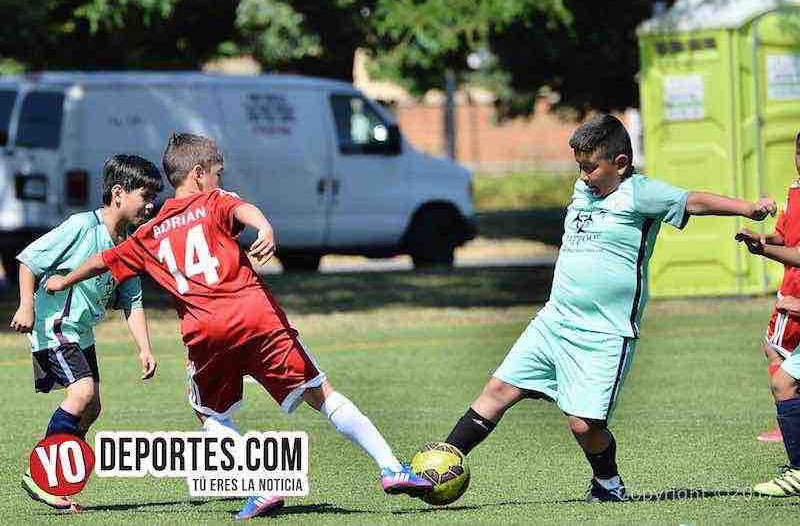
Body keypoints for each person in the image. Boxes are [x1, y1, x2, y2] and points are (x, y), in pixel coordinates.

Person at [46, 132, 431, 520]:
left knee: (209, 414)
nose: (220, 180)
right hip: (256, 318)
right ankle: (391, 468)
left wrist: (64, 280)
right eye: (218, 173)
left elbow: (103, 260)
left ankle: (260, 489)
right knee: (322, 394)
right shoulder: (215, 200)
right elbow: (246, 210)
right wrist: (265, 229)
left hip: (206, 333)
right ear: (198, 174)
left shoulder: (149, 232)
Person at [437, 114, 777, 503]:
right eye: (579, 167)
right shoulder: (584, 191)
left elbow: (692, 200)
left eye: (590, 167)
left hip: (605, 332)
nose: (583, 177)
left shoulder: (640, 193)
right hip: (555, 321)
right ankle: (439, 464)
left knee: (584, 426)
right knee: (497, 390)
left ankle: (608, 484)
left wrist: (748, 208)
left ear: (620, 163)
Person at [11, 155, 161, 512]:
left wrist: (144, 348)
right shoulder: (81, 226)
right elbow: (28, 260)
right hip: (55, 327)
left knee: (92, 408)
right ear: (119, 193)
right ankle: (45, 476)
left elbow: (132, 301)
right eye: (146, 194)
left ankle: (59, 475)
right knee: (82, 392)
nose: (151, 203)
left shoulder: (129, 245)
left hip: (81, 334)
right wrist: (25, 306)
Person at [735, 130, 800, 496]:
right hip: (792, 291)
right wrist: (761, 239)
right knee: (777, 360)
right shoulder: (795, 192)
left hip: (796, 294)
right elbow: (788, 239)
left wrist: (763, 250)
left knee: (782, 373)